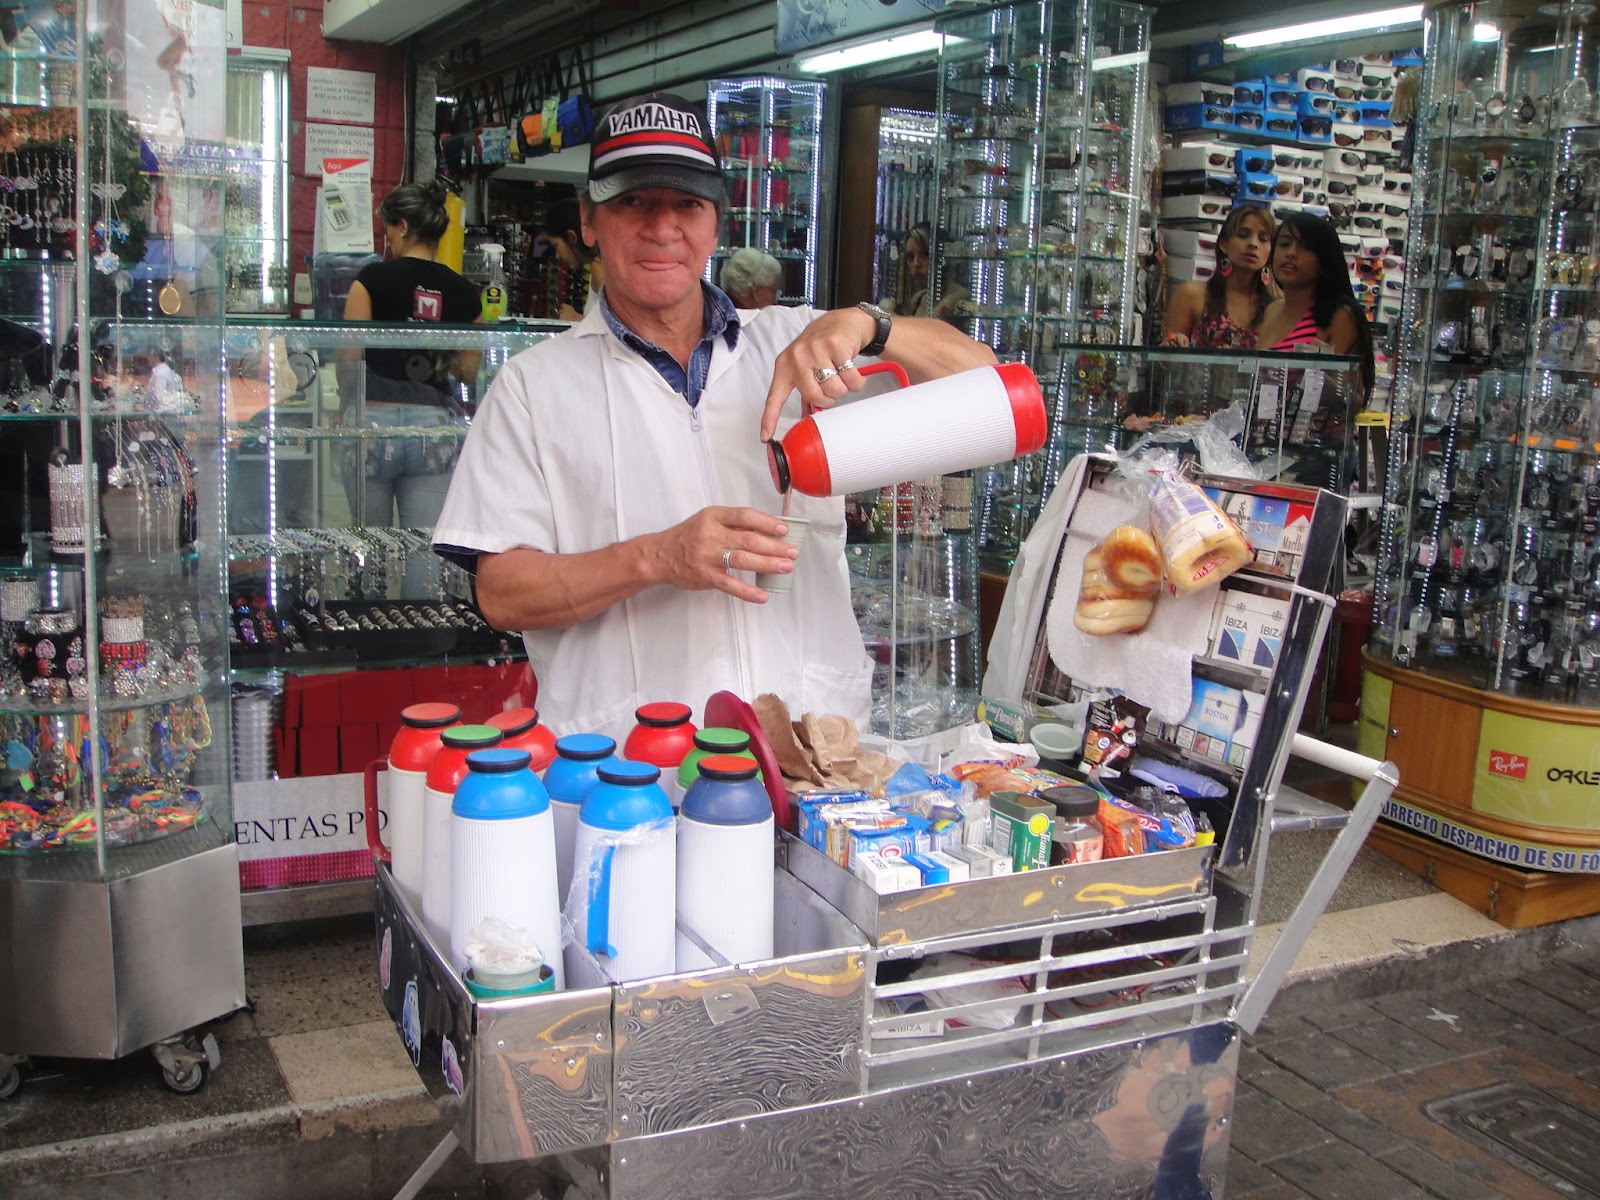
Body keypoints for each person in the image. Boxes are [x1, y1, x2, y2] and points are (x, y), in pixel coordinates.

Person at [433, 92, 997, 742]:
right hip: (631, 771)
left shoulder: (798, 342)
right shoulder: (533, 387)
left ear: (716, 222)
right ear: (589, 219)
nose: (662, 227)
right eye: (633, 201)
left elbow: (990, 387)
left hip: (812, 754)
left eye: (687, 205)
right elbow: (502, 593)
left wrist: (868, 324)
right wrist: (656, 557)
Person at [339, 181, 482, 533]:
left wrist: (346, 404)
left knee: (368, 550)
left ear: (403, 226)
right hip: (432, 429)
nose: (387, 239)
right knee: (424, 547)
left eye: (388, 228)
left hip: (370, 421)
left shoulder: (370, 280)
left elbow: (348, 359)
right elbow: (468, 371)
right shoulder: (465, 293)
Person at [1255, 213, 1376, 395]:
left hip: (1315, 423)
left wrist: (1317, 376)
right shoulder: (1272, 310)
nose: (1291, 253)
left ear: (1324, 262)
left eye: (1306, 247)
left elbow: (1353, 398)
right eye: (1284, 244)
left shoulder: (1340, 315)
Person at [1161, 205, 1276, 349]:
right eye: (1243, 235)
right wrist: (1175, 341)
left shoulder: (1277, 305)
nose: (1253, 244)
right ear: (1223, 243)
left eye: (1263, 239)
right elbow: (1165, 360)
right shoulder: (1192, 294)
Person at [891, 223, 969, 321]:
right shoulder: (919, 298)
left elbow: (926, 327)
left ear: (940, 257)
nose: (916, 264)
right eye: (910, 257)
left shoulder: (960, 297)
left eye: (925, 255)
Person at [544, 194, 604, 320]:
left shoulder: (600, 269)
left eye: (556, 245)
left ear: (571, 237)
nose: (557, 255)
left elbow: (624, 331)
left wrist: (577, 319)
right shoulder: (598, 265)